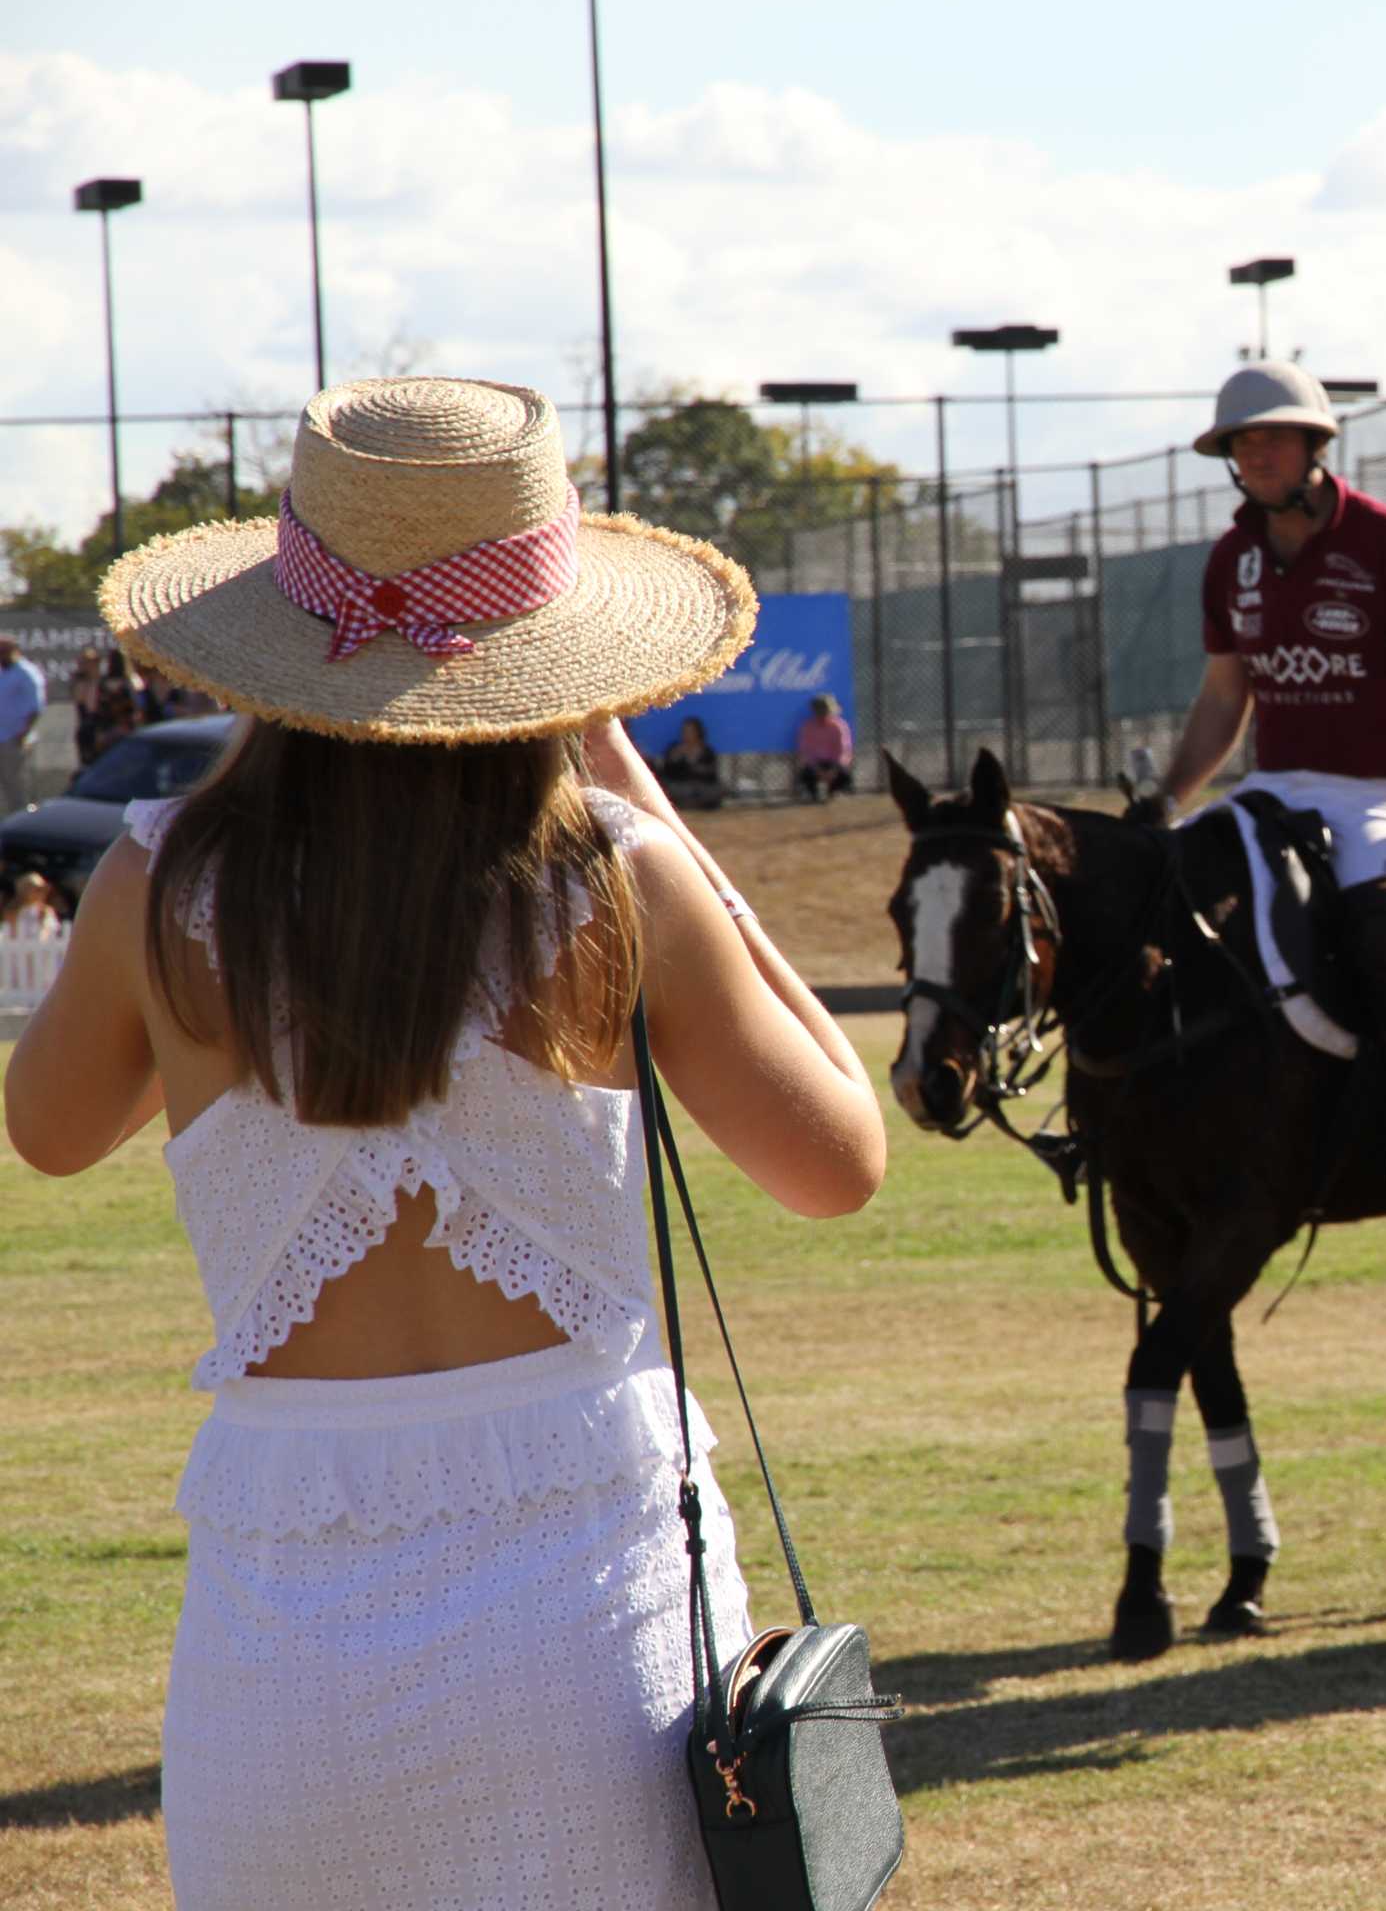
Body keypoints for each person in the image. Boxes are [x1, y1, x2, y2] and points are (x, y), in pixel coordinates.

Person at [3, 377, 888, 1910]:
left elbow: (51, 1130)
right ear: (553, 655)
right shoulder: (618, 880)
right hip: (585, 1613)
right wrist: (664, 828)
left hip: (282, 1631)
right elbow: (840, 1159)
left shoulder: (163, 882)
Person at [1148, 359, 1386, 1204]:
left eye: (1272, 439)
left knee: (1382, 922)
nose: (1256, 455)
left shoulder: (1385, 540)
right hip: (1277, 784)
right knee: (1158, 891)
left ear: (1313, 445)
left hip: (1381, 790)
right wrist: (1168, 797)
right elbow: (1226, 697)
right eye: (1242, 443)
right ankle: (1136, 1113)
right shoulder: (1233, 559)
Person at [0, 634, 46, 813]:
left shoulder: (25, 672)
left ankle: (22, 820)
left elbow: (35, 707)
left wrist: (23, 733)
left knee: (17, 785)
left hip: (14, 738)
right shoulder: (4, 673)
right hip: (2, 736)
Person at [793, 693, 854, 800]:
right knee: (805, 774)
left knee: (845, 774)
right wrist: (817, 770)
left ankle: (835, 792)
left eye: (826, 712)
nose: (823, 715)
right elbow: (805, 752)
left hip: (833, 763)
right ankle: (812, 794)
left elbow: (844, 751)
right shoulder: (808, 727)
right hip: (816, 764)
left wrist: (834, 770)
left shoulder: (839, 726)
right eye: (820, 712)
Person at [659, 714, 724, 810]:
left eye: (691, 731)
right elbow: (668, 771)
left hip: (701, 787)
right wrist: (676, 757)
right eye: (685, 731)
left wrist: (696, 766)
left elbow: (712, 773)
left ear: (698, 732)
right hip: (681, 786)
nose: (687, 734)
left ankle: (700, 805)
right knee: (672, 789)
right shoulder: (674, 749)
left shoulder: (706, 750)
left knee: (716, 790)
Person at [90, 650, 144, 763]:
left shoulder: (102, 684)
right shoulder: (131, 682)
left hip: (107, 730)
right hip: (128, 730)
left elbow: (95, 707)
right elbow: (139, 704)